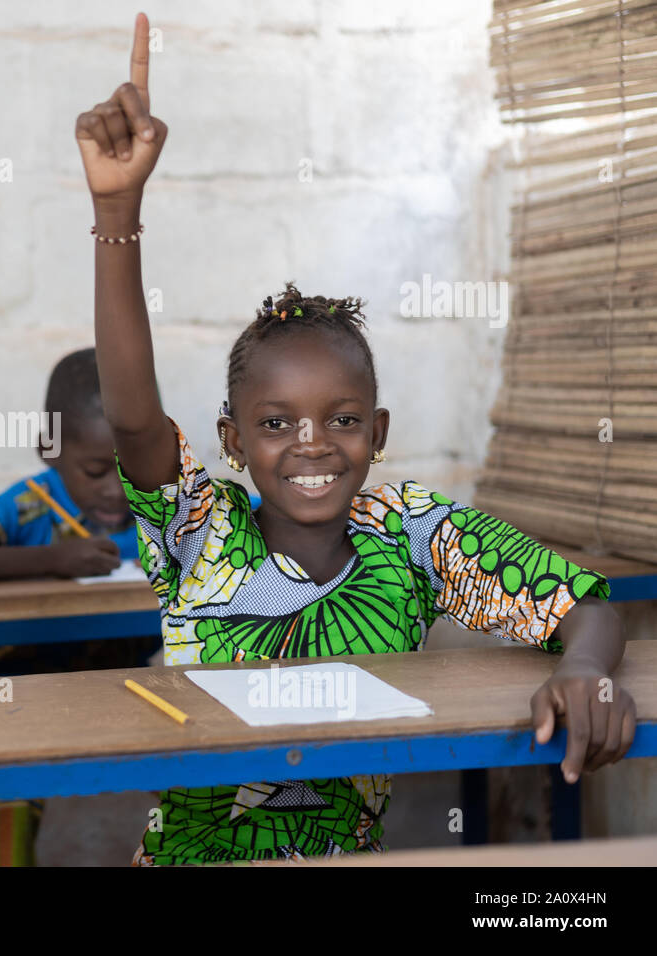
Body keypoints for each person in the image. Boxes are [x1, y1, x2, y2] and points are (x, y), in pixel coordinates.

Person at [74, 13, 636, 865]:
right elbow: (133, 417)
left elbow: (587, 607)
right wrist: (118, 211)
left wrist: (584, 668)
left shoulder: (411, 532)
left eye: (341, 420)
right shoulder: (198, 529)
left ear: (376, 433)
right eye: (274, 424)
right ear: (232, 439)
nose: (311, 445)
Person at [0, 346, 160, 866]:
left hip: (128, 686)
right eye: (94, 471)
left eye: (128, 465)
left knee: (200, 785)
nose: (117, 490)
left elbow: (259, 524)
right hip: (21, 690)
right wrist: (51, 558)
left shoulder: (166, 508)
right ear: (50, 447)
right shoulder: (29, 506)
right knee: (4, 784)